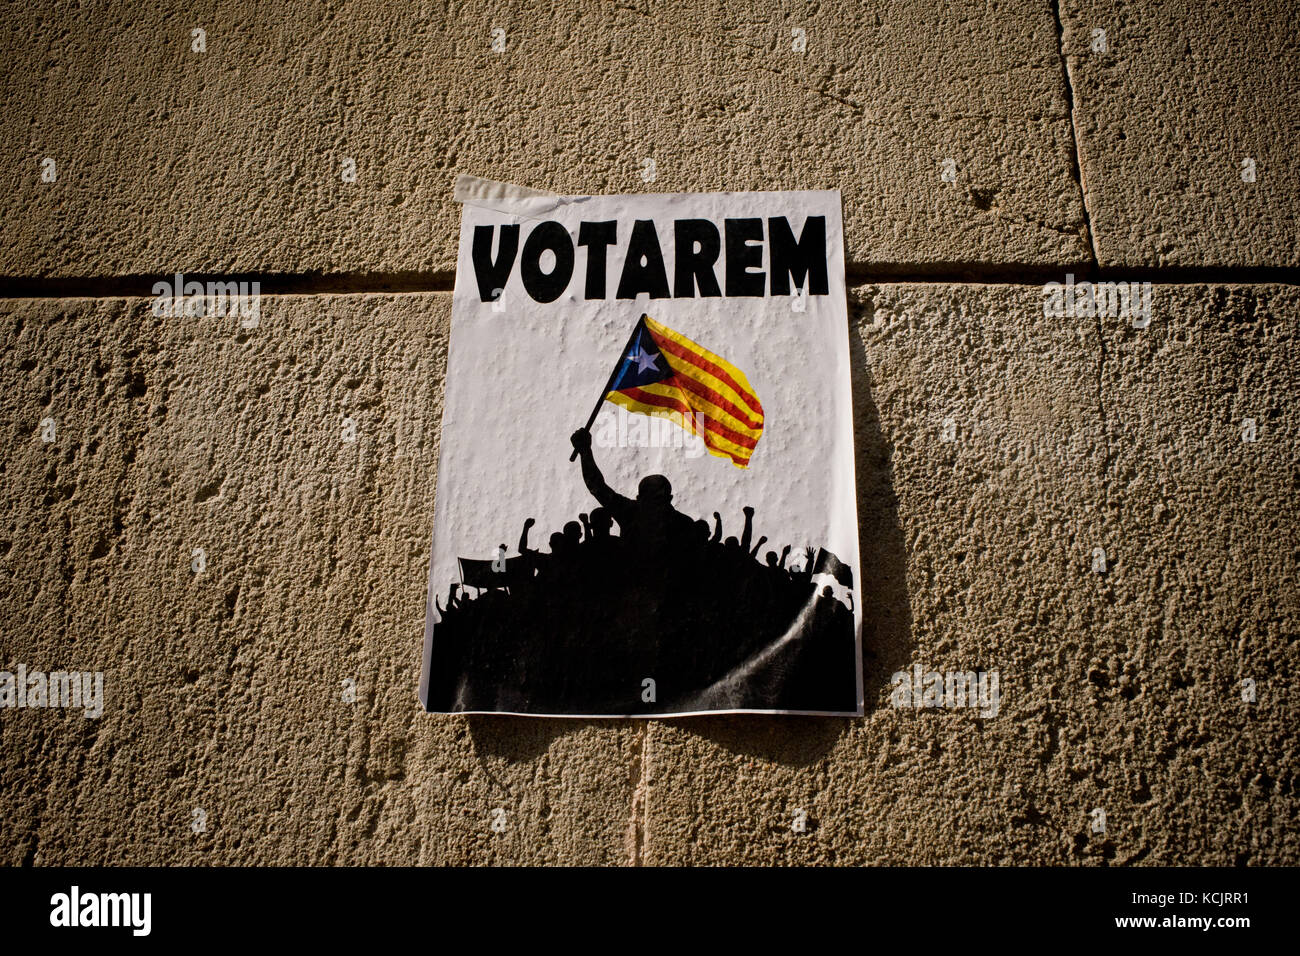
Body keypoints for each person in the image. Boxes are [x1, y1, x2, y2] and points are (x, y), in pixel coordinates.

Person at [570, 428, 697, 558]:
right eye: (650, 499)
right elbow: (598, 487)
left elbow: (597, 487)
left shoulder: (630, 512)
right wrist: (585, 451)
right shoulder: (684, 525)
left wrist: (585, 450)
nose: (654, 506)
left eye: (657, 499)